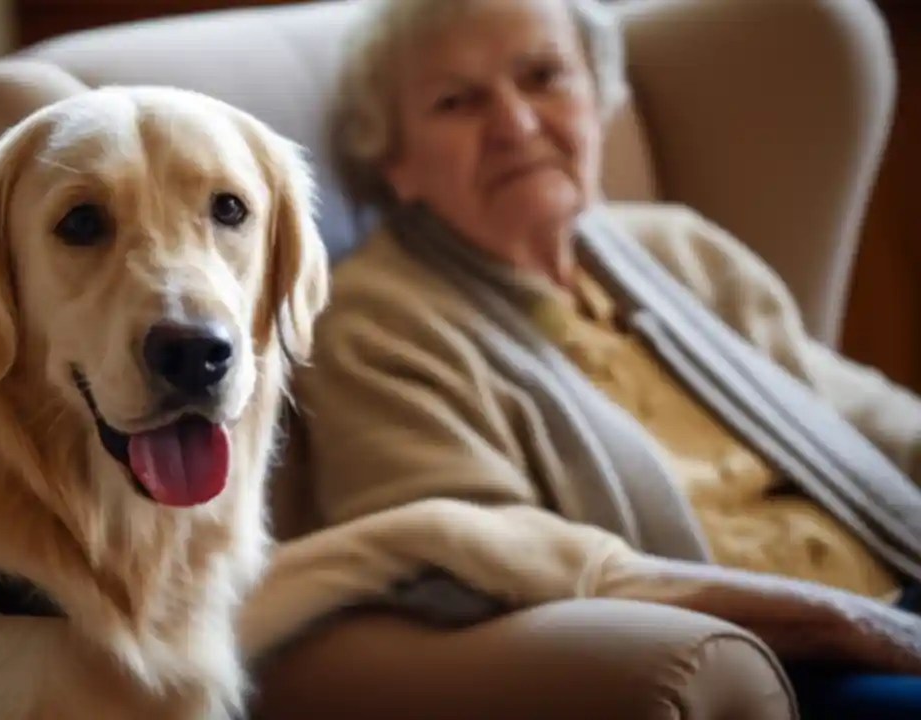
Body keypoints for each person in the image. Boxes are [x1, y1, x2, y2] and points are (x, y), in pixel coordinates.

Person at [283, 0, 921, 717]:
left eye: (544, 75)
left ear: (599, 99)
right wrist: (830, 623)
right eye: (457, 101)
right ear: (394, 162)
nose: (516, 125)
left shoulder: (679, 248)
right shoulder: (376, 320)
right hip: (773, 658)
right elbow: (468, 557)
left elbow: (858, 413)